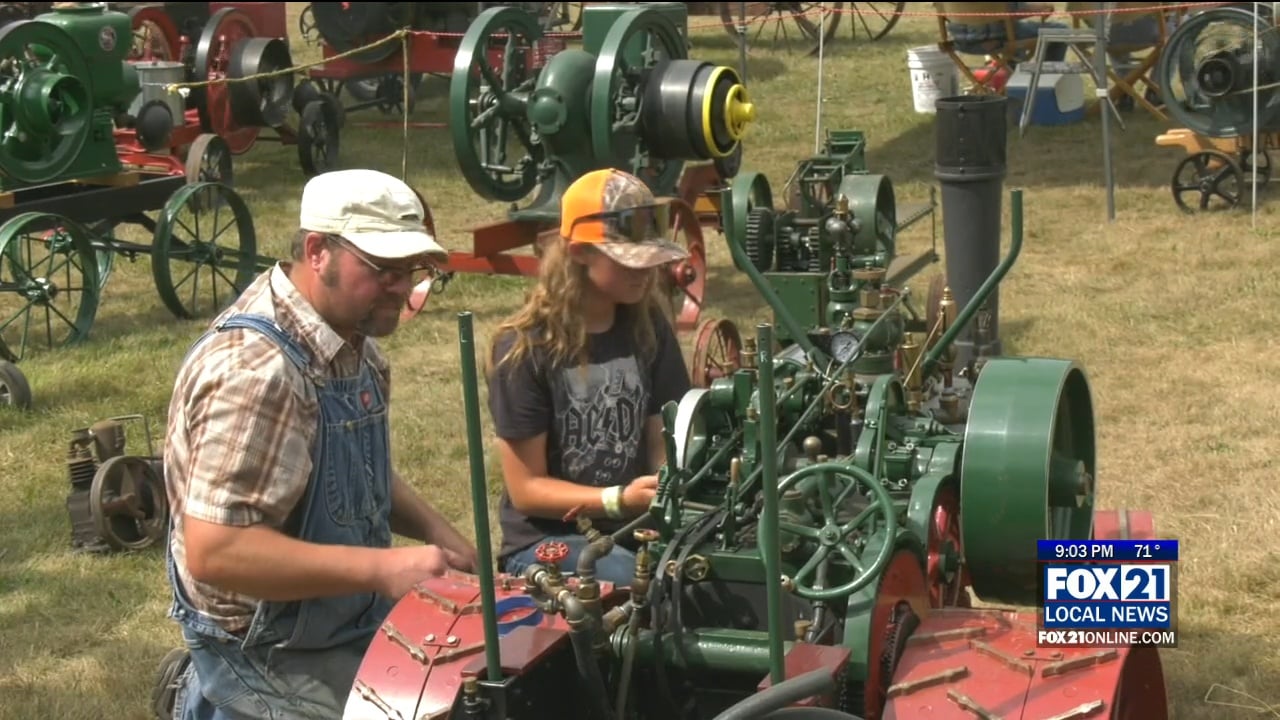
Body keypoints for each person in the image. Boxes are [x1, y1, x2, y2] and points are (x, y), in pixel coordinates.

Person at [151, 168, 480, 720]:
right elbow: (216, 551)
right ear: (317, 251)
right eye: (384, 269)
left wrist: (439, 533)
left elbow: (348, 468)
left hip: (338, 619)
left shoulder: (353, 340)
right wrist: (381, 569)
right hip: (262, 649)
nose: (403, 288)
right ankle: (204, 697)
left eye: (413, 270)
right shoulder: (258, 373)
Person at [486, 168, 693, 586]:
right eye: (629, 259)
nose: (646, 271)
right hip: (547, 539)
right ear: (580, 252)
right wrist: (618, 500)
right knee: (649, 588)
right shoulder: (524, 348)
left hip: (634, 523)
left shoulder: (649, 326)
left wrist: (664, 481)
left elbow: (661, 433)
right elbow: (527, 488)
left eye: (652, 258)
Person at [946, 2, 1069, 64]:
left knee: (1015, 31)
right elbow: (1018, 11)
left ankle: (1013, 81)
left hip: (962, 43)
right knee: (1061, 31)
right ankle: (1047, 80)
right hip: (998, 39)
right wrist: (1045, 7)